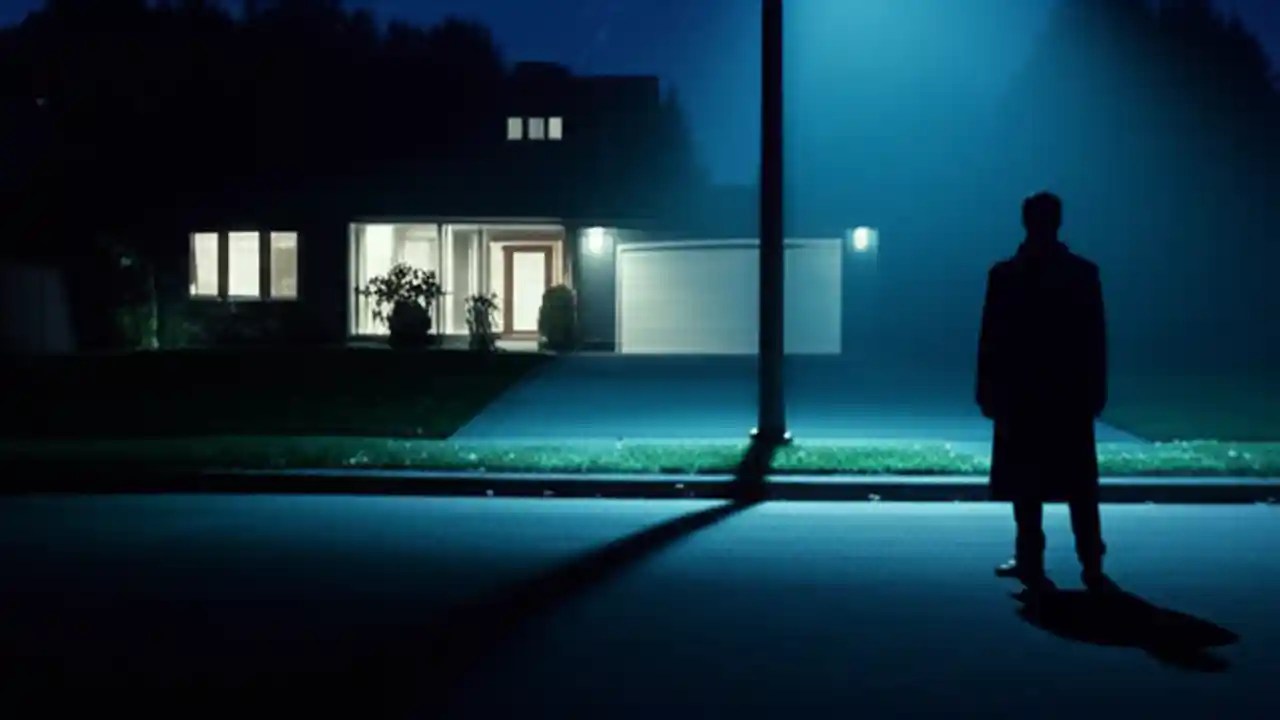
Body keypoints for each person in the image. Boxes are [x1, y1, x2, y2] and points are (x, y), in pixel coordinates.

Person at [977, 191, 1113, 592]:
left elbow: (991, 340)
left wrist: (988, 391)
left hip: (1021, 394)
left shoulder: (1004, 275)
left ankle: (1031, 559)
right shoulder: (1081, 273)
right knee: (1078, 486)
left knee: (1027, 483)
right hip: (1068, 393)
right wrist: (1095, 389)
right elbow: (1094, 339)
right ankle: (1090, 563)